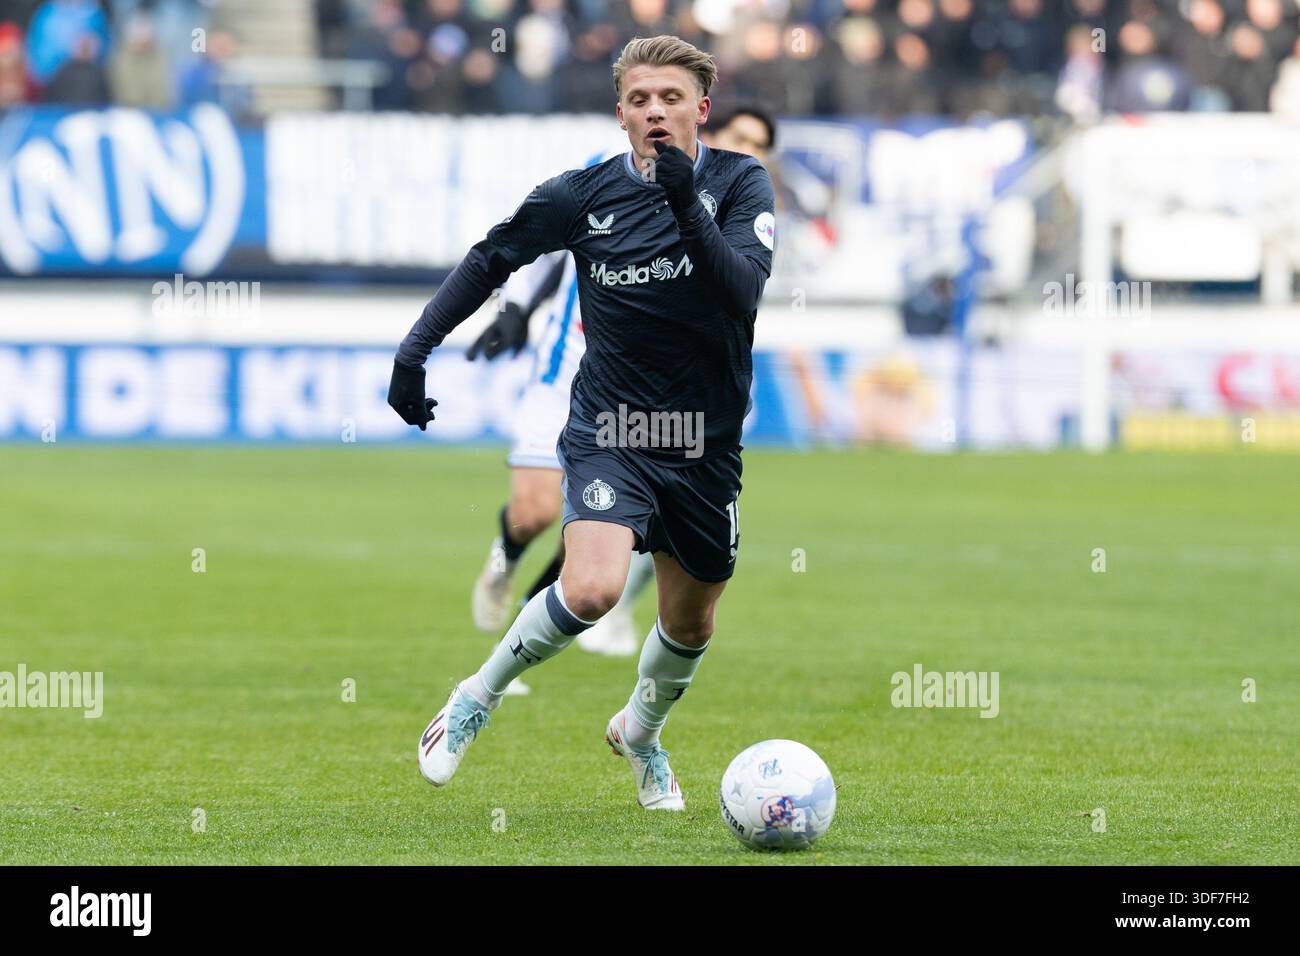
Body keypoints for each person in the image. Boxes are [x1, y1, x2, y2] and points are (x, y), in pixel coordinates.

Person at [388, 34, 776, 811]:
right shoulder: (581, 194)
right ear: (621, 113)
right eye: (639, 99)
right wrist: (415, 349)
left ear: (701, 109)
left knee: (690, 624)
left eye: (671, 98)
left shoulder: (741, 184)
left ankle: (640, 732)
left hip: (705, 441)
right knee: (594, 588)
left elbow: (741, 293)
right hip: (613, 427)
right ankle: (475, 697)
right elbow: (493, 256)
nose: (655, 111)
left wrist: (680, 201)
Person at [465, 105, 779, 677]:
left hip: (645, 395)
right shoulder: (607, 171)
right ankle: (504, 557)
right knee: (534, 512)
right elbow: (549, 241)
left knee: (597, 536)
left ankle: (509, 657)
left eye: (759, 143)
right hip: (568, 368)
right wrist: (515, 307)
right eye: (741, 135)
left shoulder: (741, 199)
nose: (748, 148)